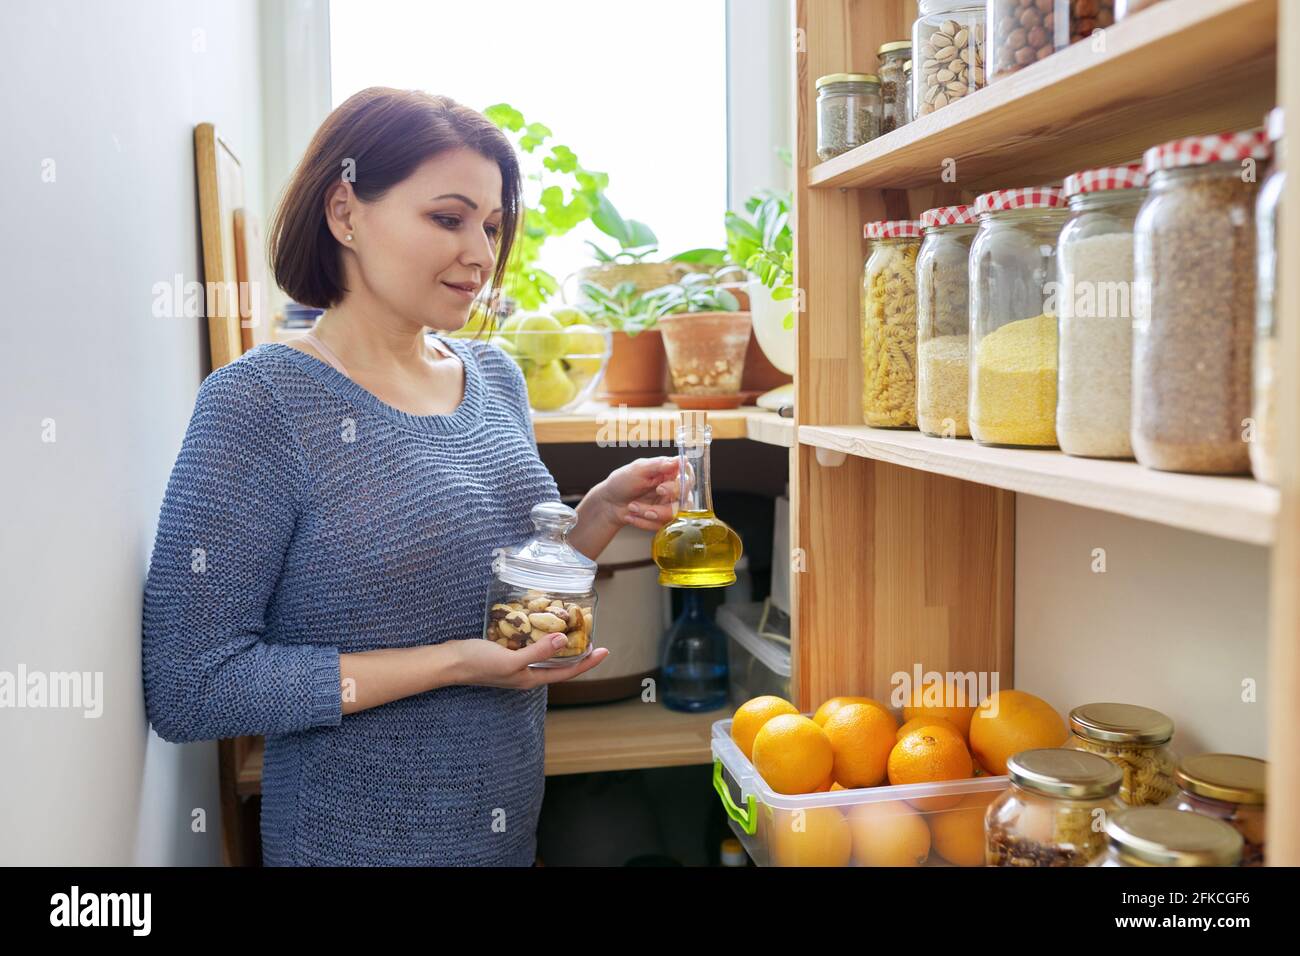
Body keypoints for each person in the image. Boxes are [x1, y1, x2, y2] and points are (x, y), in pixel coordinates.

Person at [142, 88, 679, 865]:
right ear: (344, 212)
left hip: (501, 836)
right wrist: (457, 664)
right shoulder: (260, 403)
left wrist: (592, 516)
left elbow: (503, 607)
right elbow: (193, 686)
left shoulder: (495, 377)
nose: (482, 253)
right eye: (448, 218)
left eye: (492, 226)